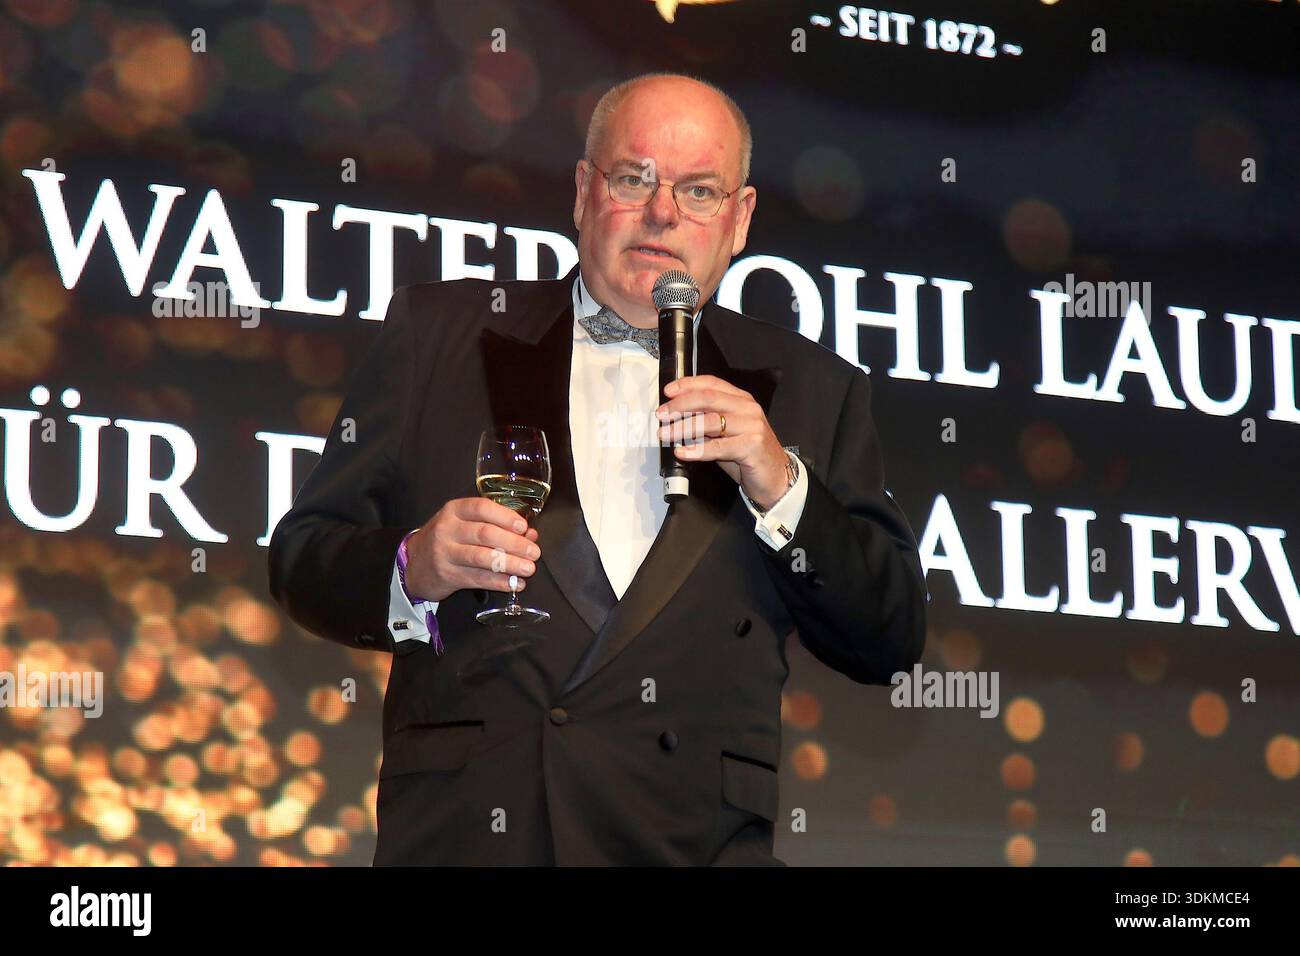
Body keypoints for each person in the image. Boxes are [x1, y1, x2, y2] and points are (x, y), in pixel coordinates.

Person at [268, 72, 928, 866]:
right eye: (632, 178)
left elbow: (887, 634)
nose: (662, 213)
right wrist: (412, 566)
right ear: (584, 193)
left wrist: (779, 481)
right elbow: (304, 557)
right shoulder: (438, 335)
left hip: (691, 847)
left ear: (740, 218)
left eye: (699, 191)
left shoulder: (816, 391)